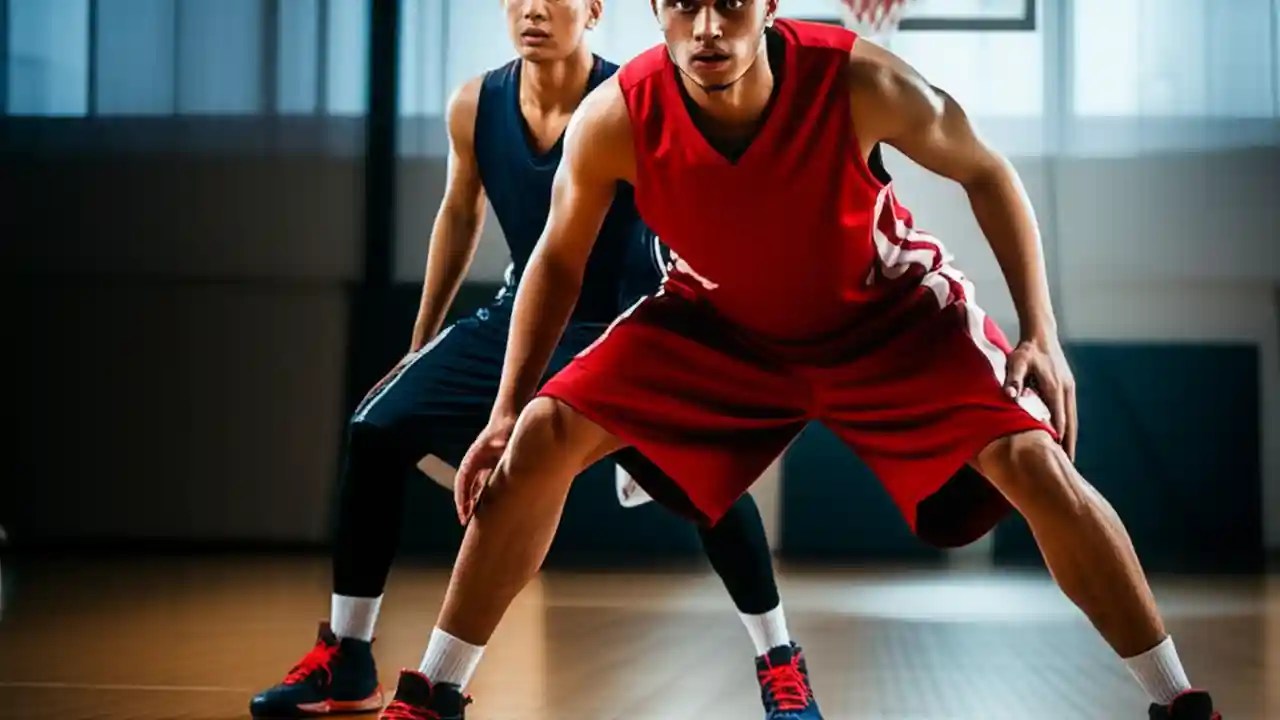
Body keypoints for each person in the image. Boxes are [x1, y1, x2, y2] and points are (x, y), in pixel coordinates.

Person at [382, 2, 1228, 719]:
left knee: (1034, 461)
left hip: (887, 319)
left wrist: (1040, 332)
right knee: (536, 437)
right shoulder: (618, 117)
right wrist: (501, 409)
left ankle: (1178, 699)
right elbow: (557, 264)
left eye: (730, 2)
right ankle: (434, 693)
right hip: (720, 325)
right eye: (684, 4)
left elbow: (988, 171)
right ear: (654, 8)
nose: (708, 27)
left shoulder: (860, 79)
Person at [248, 2, 822, 719]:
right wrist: (419, 345)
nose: (535, 9)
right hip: (526, 318)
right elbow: (460, 214)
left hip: (626, 325)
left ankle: (777, 657)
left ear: (593, 11)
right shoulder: (475, 104)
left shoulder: (636, 100)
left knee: (705, 488)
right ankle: (348, 658)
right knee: (376, 428)